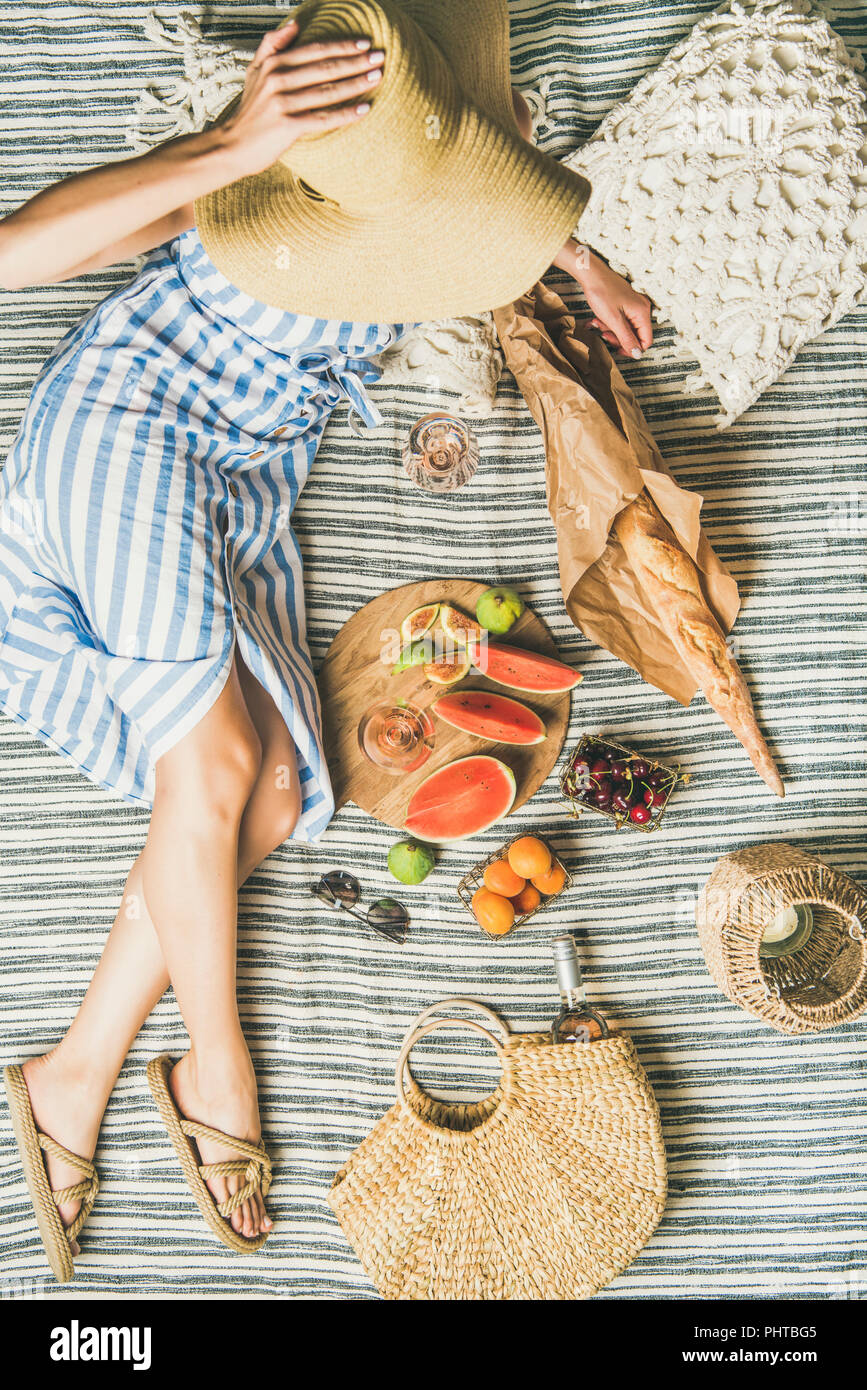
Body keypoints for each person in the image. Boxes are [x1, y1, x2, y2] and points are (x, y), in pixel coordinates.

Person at [0, 1, 651, 1281]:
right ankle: (215, 1069)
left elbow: (496, 191)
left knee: (287, 788)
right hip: (131, 424)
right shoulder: (277, 170)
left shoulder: (457, 144)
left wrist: (582, 265)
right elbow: (13, 253)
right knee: (210, 775)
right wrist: (235, 144)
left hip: (243, 481)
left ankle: (74, 1065)